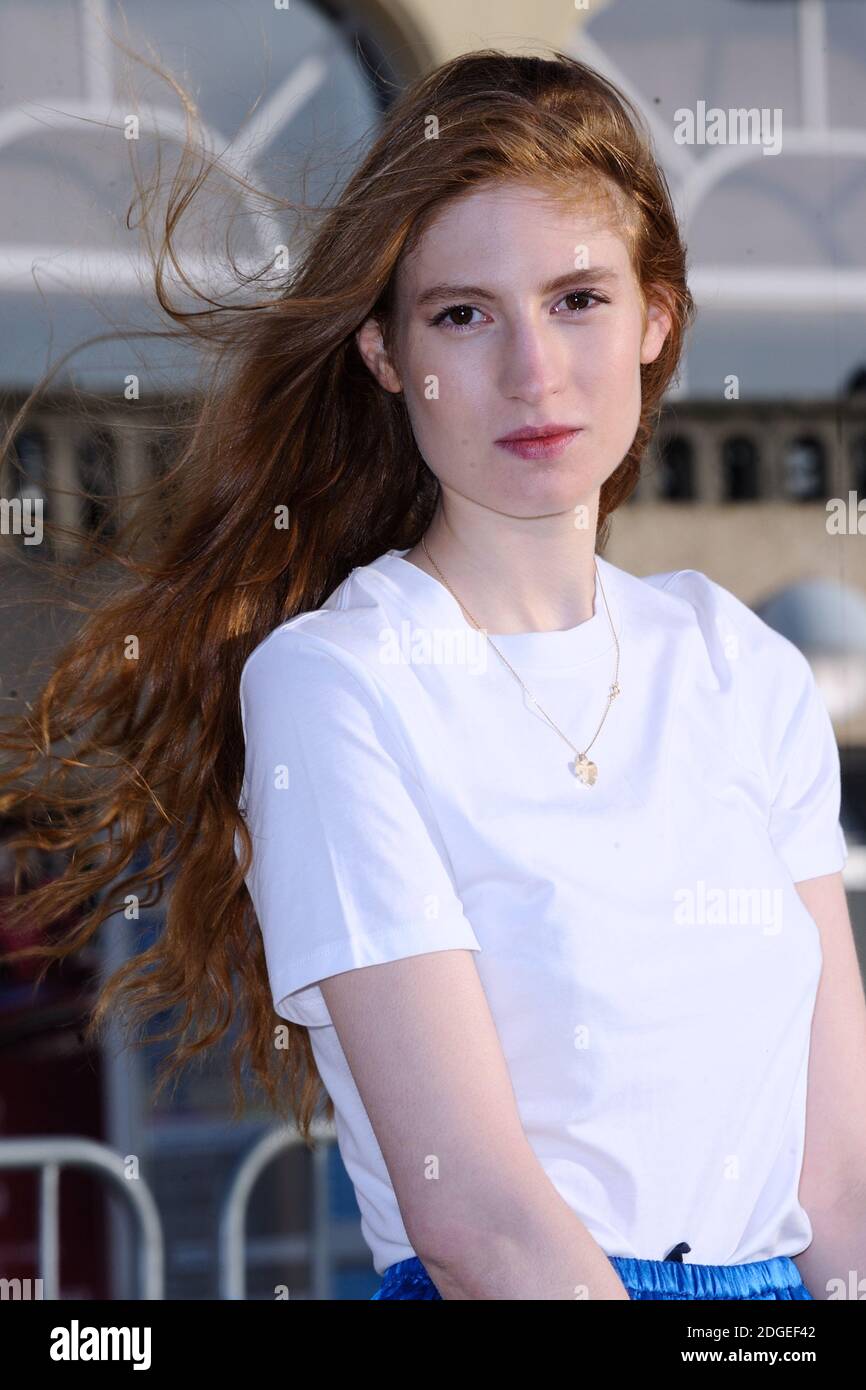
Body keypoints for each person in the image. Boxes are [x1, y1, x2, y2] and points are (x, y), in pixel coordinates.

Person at [2, 49, 863, 1302]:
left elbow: (838, 1186)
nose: (531, 371)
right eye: (464, 313)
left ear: (655, 319)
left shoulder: (742, 667)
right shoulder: (336, 684)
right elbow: (480, 1219)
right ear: (385, 355)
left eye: (577, 299)